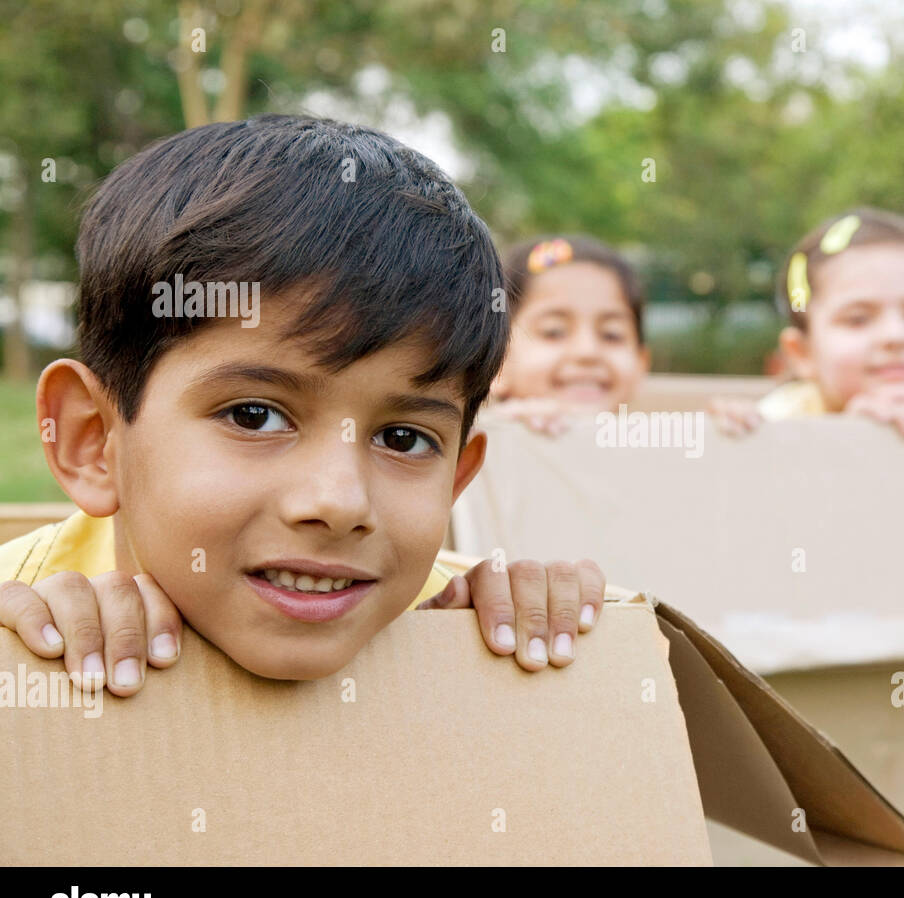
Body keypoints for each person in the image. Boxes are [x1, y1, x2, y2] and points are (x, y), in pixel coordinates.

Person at [0, 115, 613, 696]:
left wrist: (529, 632)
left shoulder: (461, 618)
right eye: (254, 416)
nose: (339, 503)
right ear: (91, 440)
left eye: (403, 438)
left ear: (456, 477)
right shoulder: (17, 617)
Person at [710, 207, 904, 445]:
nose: (895, 335)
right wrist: (735, 423)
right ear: (802, 354)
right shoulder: (776, 420)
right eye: (858, 319)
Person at [482, 235, 650, 435]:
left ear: (642, 363)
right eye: (554, 332)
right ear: (497, 362)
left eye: (611, 335)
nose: (587, 351)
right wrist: (510, 426)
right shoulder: (479, 448)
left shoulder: (670, 446)